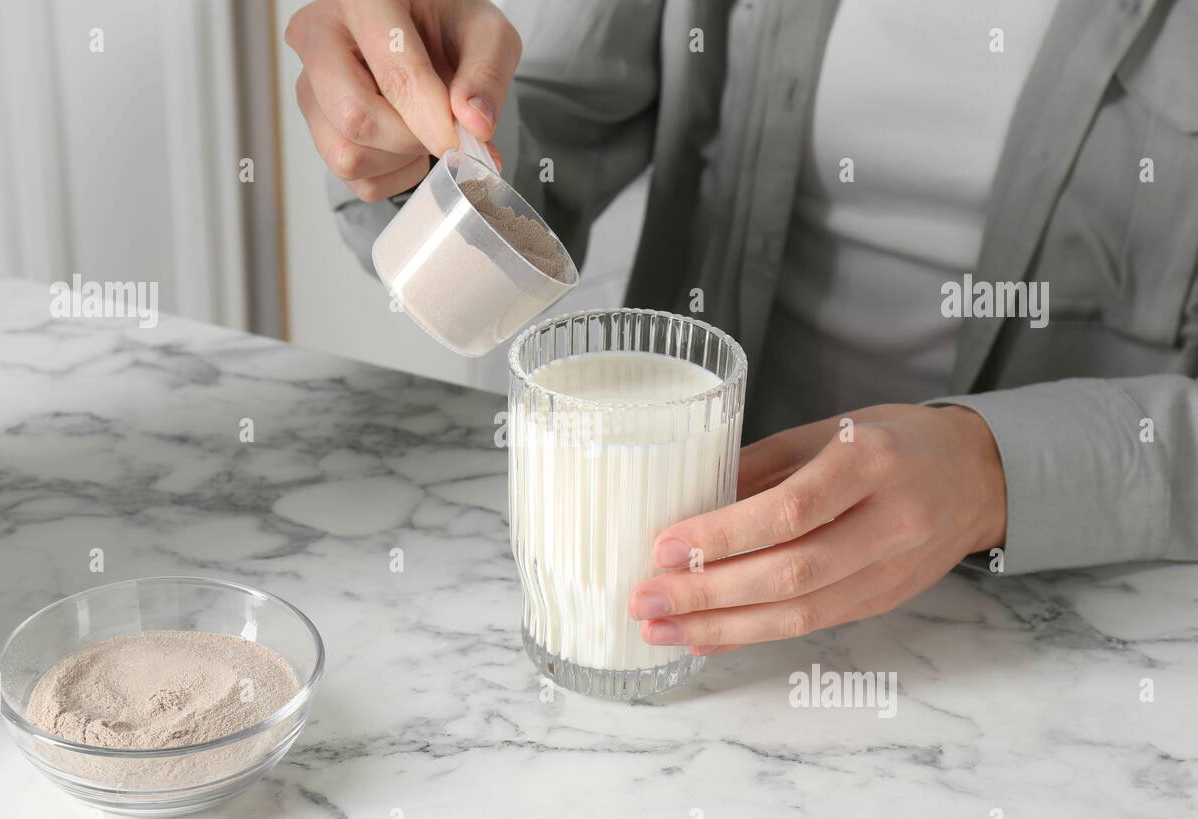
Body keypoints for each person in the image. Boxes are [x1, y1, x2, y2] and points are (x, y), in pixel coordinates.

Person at [286, 0, 1198, 653]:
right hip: (690, 574)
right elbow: (538, 156)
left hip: (1075, 618)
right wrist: (416, 128)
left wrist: (989, 473)